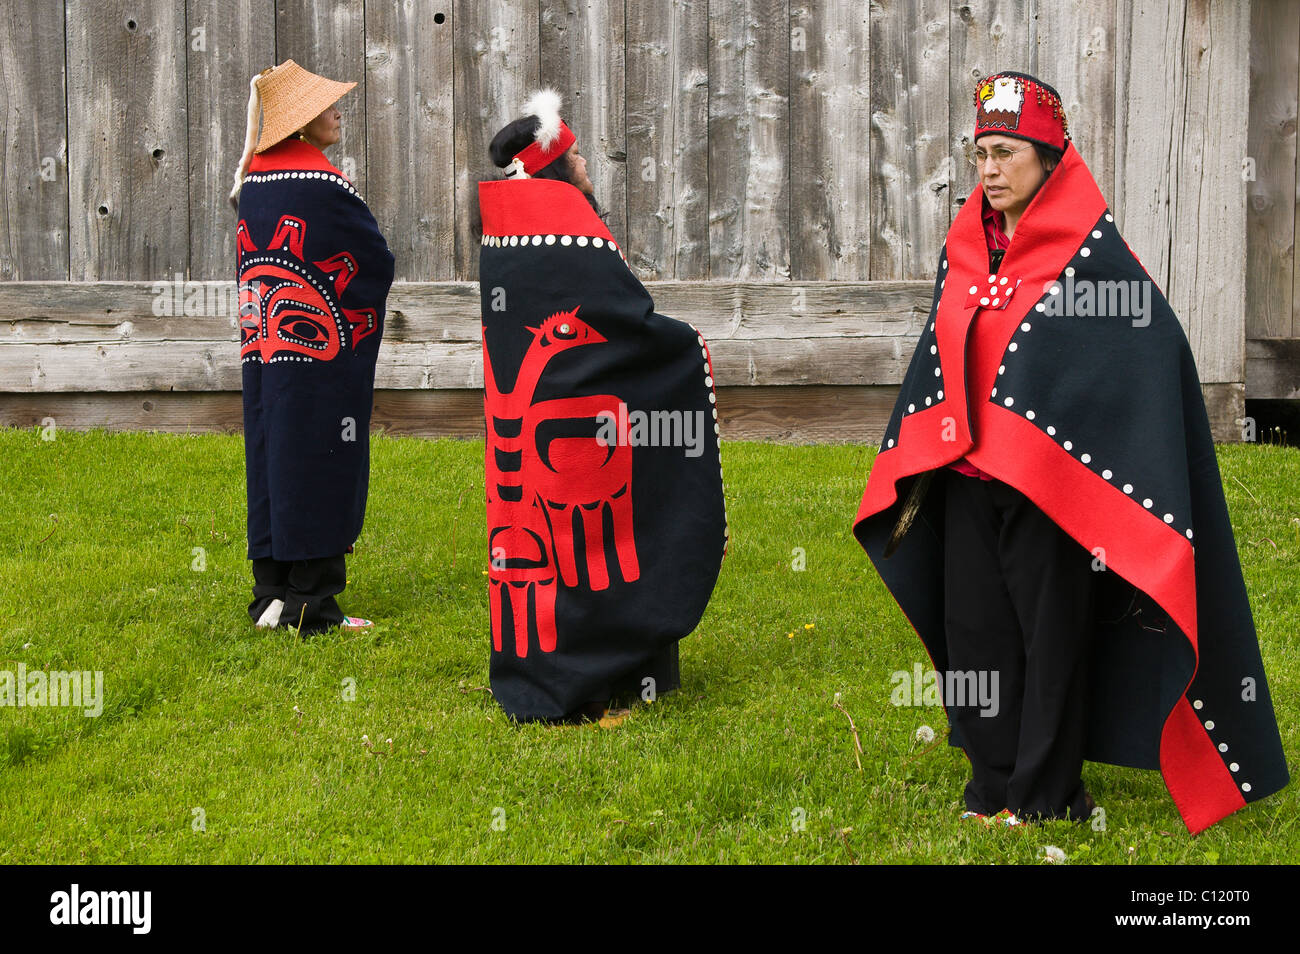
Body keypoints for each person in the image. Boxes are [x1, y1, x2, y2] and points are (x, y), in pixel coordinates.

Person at [853, 71, 1288, 833]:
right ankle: (991, 789)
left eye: (1005, 153)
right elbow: (944, 356)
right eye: (980, 152)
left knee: (1049, 640)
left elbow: (1151, 355)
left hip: (1052, 497)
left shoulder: (1093, 258)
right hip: (964, 482)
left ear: (1049, 158)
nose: (988, 169)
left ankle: (1049, 795)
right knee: (977, 636)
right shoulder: (965, 254)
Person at [477, 89, 727, 722]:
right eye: (579, 156)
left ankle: (594, 672)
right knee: (589, 548)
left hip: (548, 428)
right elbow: (619, 326)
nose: (588, 168)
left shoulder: (511, 228)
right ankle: (586, 684)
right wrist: (680, 345)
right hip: (575, 440)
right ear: (558, 168)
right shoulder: (563, 230)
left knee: (558, 548)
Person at [228, 60, 395, 635]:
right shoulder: (322, 183)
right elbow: (372, 258)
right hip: (320, 356)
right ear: (301, 122)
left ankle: (271, 594)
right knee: (323, 453)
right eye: (328, 106)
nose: (338, 113)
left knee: (273, 449)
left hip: (266, 351)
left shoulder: (257, 180)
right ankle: (312, 604)